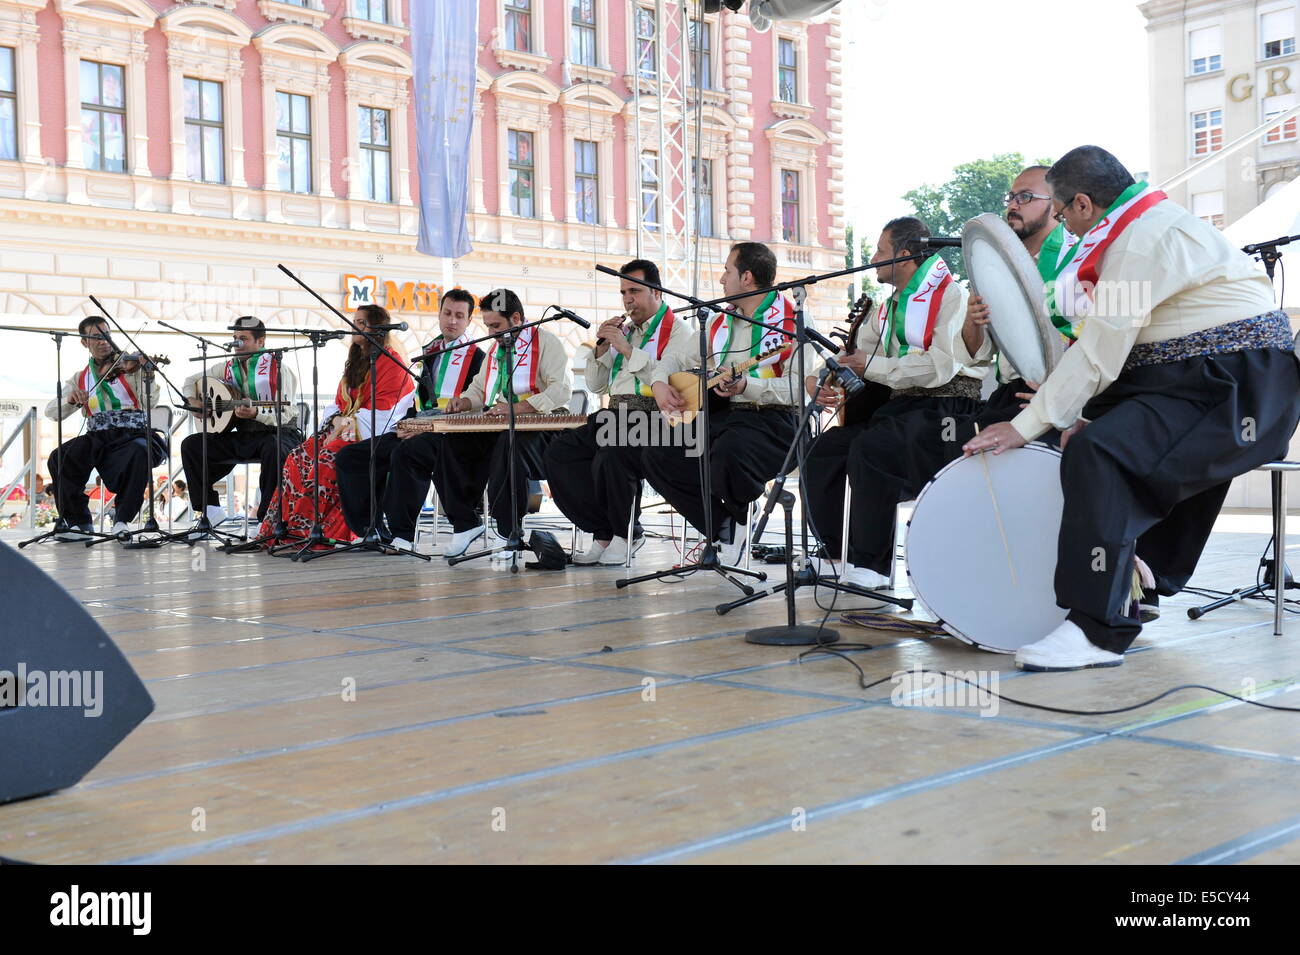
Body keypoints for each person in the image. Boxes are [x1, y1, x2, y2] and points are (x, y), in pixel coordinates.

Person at [964, 145, 1300, 671]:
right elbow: (1125, 351)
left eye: (1059, 209)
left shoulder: (1142, 241)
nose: (1061, 224)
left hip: (1236, 387)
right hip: (1197, 375)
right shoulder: (1139, 227)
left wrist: (1026, 426)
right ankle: (1139, 580)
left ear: (1081, 203)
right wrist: (1073, 410)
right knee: (1087, 432)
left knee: (1099, 452)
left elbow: (1103, 347)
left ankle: (1096, 630)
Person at [801, 218, 980, 599]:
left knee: (873, 448)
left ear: (904, 254)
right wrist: (819, 379)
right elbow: (853, 355)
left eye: (880, 251)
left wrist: (872, 365)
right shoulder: (887, 308)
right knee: (823, 450)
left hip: (948, 409)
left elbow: (939, 366)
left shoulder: (952, 296)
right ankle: (835, 552)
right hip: (902, 409)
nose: (873, 258)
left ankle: (872, 565)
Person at [640, 241, 816, 566]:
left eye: (727, 271)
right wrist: (660, 383)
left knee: (729, 447)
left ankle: (735, 517)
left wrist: (747, 385)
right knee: (657, 451)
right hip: (727, 417)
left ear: (747, 277)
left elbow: (798, 388)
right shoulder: (720, 321)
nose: (721, 280)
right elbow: (676, 357)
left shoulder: (793, 322)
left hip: (779, 423)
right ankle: (723, 526)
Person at [390, 288, 571, 558]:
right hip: (502, 424)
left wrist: (518, 408)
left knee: (507, 448)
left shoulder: (546, 342)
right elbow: (477, 391)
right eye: (487, 326)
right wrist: (462, 402)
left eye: (496, 325)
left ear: (517, 318)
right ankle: (465, 523)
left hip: (543, 426)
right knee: (450, 443)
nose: (491, 332)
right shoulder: (496, 349)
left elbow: (561, 391)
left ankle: (507, 531)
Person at [544, 258, 697, 566]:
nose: (628, 299)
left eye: (635, 291)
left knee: (611, 452)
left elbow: (669, 382)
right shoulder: (626, 331)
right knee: (559, 452)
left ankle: (627, 532)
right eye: (624, 292)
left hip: (657, 418)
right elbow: (598, 387)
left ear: (656, 292)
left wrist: (627, 350)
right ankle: (603, 530)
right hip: (616, 413)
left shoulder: (680, 333)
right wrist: (601, 350)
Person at [260, 305, 415, 548]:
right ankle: (287, 529)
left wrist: (344, 425)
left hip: (368, 433)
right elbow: (338, 403)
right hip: (343, 428)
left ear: (377, 329)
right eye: (355, 321)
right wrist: (335, 424)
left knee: (325, 460)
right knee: (297, 457)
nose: (355, 326)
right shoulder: (355, 362)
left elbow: (386, 411)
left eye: (361, 323)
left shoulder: (391, 363)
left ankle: (318, 531)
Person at [354, 289, 484, 548]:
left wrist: (425, 428)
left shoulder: (478, 358)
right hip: (422, 427)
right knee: (355, 455)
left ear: (469, 320)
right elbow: (420, 400)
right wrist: (407, 424)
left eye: (459, 316)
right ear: (438, 314)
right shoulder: (430, 352)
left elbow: (478, 406)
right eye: (447, 313)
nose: (452, 320)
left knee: (407, 453)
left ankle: (403, 533)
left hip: (455, 433)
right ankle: (370, 529)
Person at [45, 316, 167, 541]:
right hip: (97, 435)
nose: (103, 341)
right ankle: (79, 524)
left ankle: (122, 520)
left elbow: (149, 402)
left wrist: (147, 374)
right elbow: (51, 412)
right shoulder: (81, 377)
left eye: (106, 335)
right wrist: (71, 400)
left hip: (132, 432)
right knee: (59, 457)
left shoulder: (131, 367)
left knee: (140, 451)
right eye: (95, 337)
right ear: (84, 343)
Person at [180, 316, 302, 529]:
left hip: (280, 433)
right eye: (235, 338)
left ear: (260, 342)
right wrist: (193, 401)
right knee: (192, 445)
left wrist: (256, 413)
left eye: (243, 338)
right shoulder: (227, 368)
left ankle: (268, 519)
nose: (236, 343)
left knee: (274, 448)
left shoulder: (279, 368)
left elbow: (286, 412)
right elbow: (190, 381)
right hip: (247, 434)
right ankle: (211, 511)